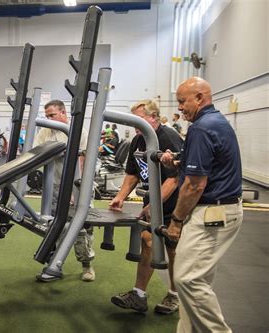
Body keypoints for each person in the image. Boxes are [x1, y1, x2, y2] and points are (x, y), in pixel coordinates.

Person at [160, 77, 243, 332]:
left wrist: (175, 221)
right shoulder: (214, 122)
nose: (180, 108)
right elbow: (207, 162)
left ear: (199, 98)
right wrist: (177, 161)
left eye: (182, 101)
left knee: (188, 280)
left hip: (212, 212)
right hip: (220, 209)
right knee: (196, 283)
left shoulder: (202, 127)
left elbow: (195, 185)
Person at [109, 99, 183, 314]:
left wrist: (153, 206)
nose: (135, 125)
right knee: (147, 243)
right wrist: (120, 196)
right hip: (152, 203)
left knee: (173, 249)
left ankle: (174, 296)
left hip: (174, 204)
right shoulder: (138, 140)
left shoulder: (168, 138)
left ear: (154, 118)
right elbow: (132, 173)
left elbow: (174, 179)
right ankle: (139, 295)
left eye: (139, 119)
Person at [34, 99, 95, 282]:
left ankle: (87, 266)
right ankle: (54, 265)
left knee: (81, 229)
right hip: (54, 188)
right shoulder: (45, 132)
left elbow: (82, 164)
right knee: (54, 226)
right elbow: (36, 155)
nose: (49, 120)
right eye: (47, 116)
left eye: (52, 115)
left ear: (63, 113)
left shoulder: (78, 133)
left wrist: (74, 191)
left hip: (77, 187)